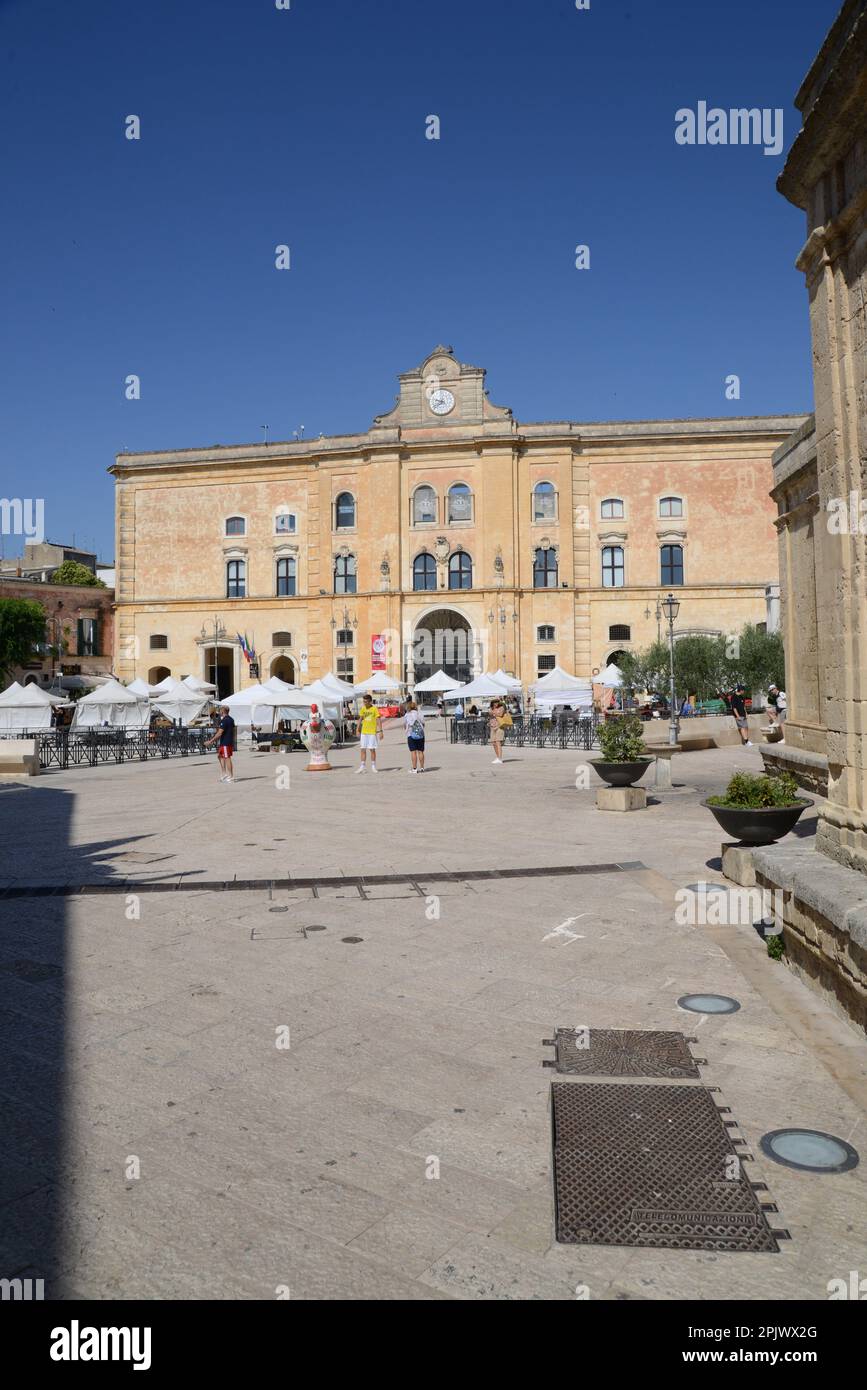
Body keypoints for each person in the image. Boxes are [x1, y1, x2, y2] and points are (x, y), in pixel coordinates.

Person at [205, 704, 236, 781]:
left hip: (226, 742)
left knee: (227, 758)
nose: (219, 712)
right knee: (220, 756)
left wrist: (210, 741)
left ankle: (231, 776)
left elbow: (220, 733)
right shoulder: (231, 719)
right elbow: (233, 730)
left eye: (220, 710)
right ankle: (224, 774)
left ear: (223, 711)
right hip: (226, 741)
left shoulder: (225, 720)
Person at [355, 693, 382, 773]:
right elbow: (360, 719)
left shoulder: (374, 709)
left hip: (372, 732)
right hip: (364, 732)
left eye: (366, 702)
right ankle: (362, 766)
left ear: (370, 702)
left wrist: (380, 731)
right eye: (364, 702)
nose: (365, 703)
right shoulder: (363, 708)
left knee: (372, 749)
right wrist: (357, 729)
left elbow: (378, 720)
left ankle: (373, 766)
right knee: (362, 749)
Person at [403, 699, 426, 773]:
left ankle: (414, 769)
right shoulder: (419, 713)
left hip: (410, 734)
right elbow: (423, 723)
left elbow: (404, 725)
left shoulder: (407, 714)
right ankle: (422, 768)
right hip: (420, 734)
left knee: (413, 752)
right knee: (420, 751)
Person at [489, 698, 506, 765]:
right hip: (492, 726)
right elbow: (490, 714)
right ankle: (497, 757)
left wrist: (494, 713)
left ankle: (500, 758)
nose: (495, 703)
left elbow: (501, 714)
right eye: (494, 702)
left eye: (497, 702)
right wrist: (494, 713)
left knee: (498, 742)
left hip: (500, 726)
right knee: (493, 742)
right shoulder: (491, 708)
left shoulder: (501, 707)